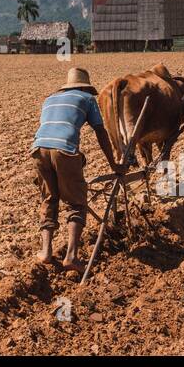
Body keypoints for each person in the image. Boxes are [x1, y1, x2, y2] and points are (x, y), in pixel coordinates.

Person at [30, 67, 124, 275]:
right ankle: (71, 256)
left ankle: (45, 252)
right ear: (85, 86)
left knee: (49, 198)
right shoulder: (88, 99)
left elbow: (50, 129)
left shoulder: (50, 99)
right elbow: (100, 131)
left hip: (38, 149)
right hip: (64, 149)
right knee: (76, 202)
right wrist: (114, 165)